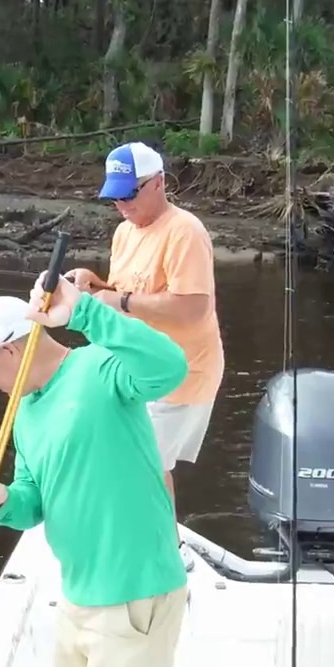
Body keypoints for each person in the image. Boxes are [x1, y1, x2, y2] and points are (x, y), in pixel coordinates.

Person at [0, 273, 188, 667]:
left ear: (9, 351)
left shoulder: (98, 366)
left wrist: (84, 310)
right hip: (77, 600)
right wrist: (3, 500)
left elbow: (170, 367)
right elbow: (32, 501)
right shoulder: (24, 411)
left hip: (135, 597)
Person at [65, 140, 225, 571]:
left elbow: (194, 308)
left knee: (137, 464)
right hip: (137, 372)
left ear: (159, 184)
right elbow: (122, 292)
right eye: (114, 194)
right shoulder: (123, 232)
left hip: (182, 373)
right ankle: (163, 550)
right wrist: (94, 285)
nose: (121, 204)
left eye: (129, 193)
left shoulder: (184, 231)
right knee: (143, 463)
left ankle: (160, 560)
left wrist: (119, 302)